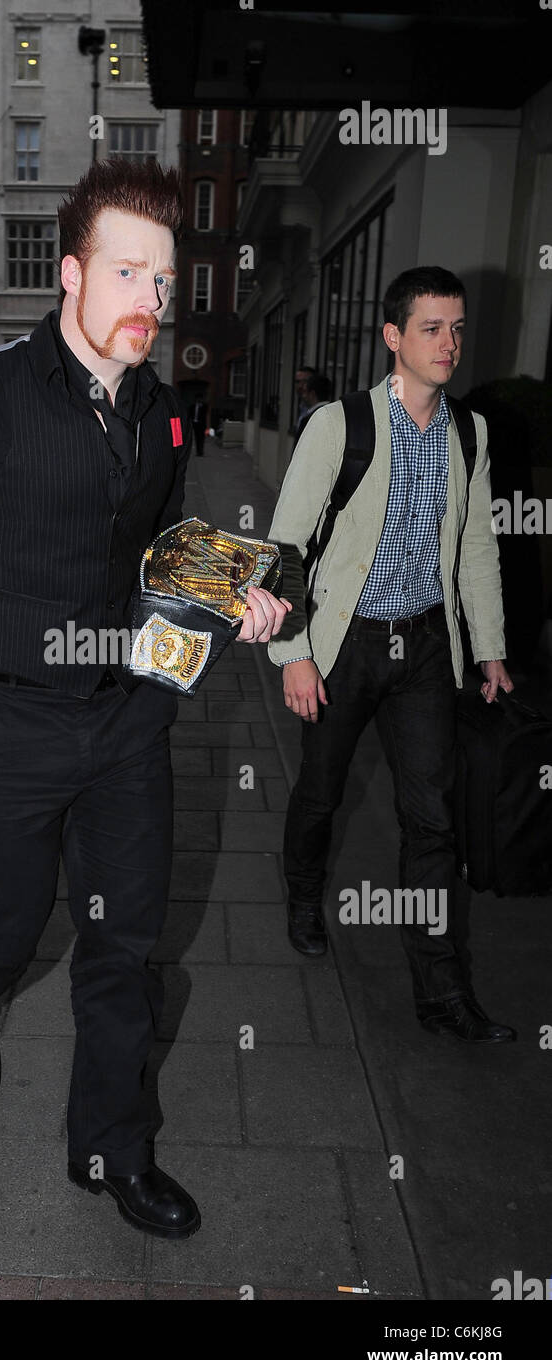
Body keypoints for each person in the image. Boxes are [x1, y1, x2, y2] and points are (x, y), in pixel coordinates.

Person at [0, 158, 290, 1239]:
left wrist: (232, 595)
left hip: (129, 718)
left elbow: (159, 551)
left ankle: (112, 1151)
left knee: (124, 946)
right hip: (9, 721)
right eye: (128, 272)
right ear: (70, 273)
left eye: (165, 280)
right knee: (4, 925)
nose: (151, 300)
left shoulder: (164, 413)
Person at [267, 266, 516, 1044]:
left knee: (430, 822)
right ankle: (304, 899)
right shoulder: (339, 426)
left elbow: (475, 546)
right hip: (345, 646)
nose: (449, 343)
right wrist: (294, 654)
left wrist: (490, 649)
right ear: (393, 337)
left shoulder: (469, 433)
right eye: (432, 328)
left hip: (424, 650)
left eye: (458, 328)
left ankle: (441, 992)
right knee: (320, 793)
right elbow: (283, 548)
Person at [294, 373, 332, 443]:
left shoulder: (308, 419)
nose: (303, 396)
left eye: (305, 391)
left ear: (312, 394)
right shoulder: (335, 416)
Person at [293, 363, 316, 433]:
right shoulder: (302, 407)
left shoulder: (318, 410)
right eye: (298, 382)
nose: (301, 386)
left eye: (305, 381)